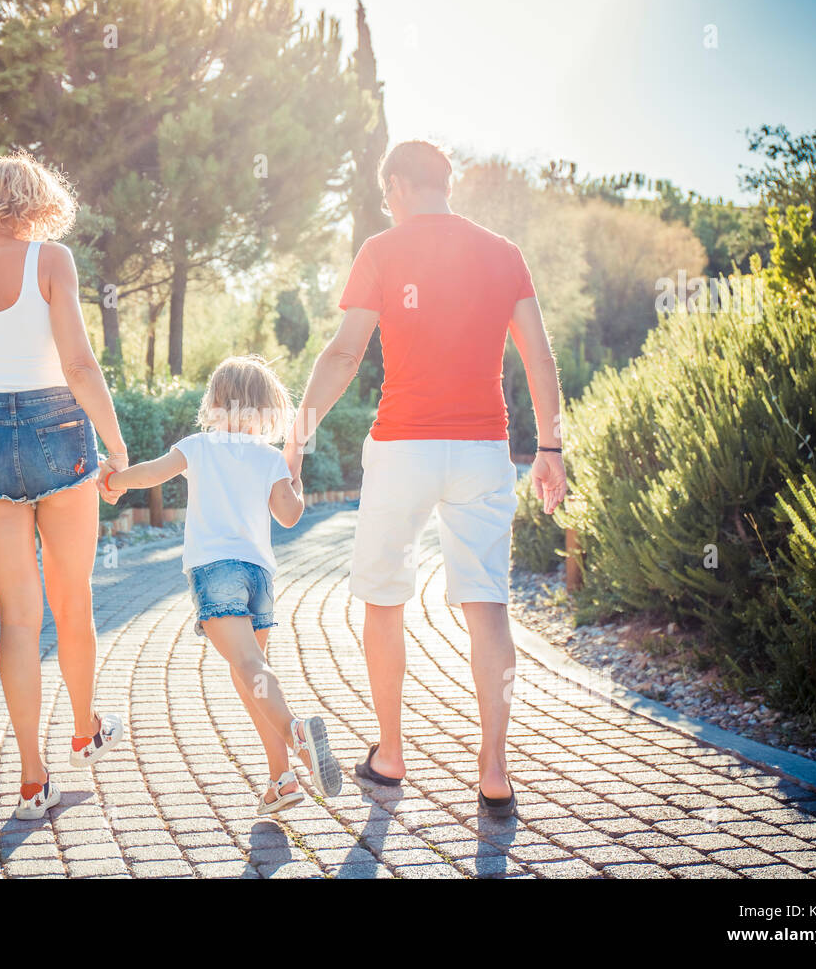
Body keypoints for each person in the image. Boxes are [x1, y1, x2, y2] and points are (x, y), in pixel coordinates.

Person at [284, 140, 569, 819]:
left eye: (387, 193)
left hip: (403, 446)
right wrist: (551, 446)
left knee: (384, 599)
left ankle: (391, 754)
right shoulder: (503, 253)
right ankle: (494, 768)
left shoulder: (382, 250)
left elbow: (346, 350)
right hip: (482, 449)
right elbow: (540, 357)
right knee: (487, 603)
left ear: (400, 187)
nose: (387, 204)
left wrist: (298, 433)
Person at [0, 151, 131, 820]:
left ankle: (29, 777)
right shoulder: (51, 260)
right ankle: (83, 729)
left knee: (18, 617)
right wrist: (118, 443)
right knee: (72, 600)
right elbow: (76, 360)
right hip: (57, 424)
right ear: (38, 202)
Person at [102, 355, 343, 814]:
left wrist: (114, 479)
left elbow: (152, 471)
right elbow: (289, 517)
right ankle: (282, 780)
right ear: (270, 409)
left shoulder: (199, 445)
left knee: (250, 667)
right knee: (252, 672)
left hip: (217, 572)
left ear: (213, 401)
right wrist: (294, 478)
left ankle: (298, 736)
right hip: (259, 576)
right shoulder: (270, 457)